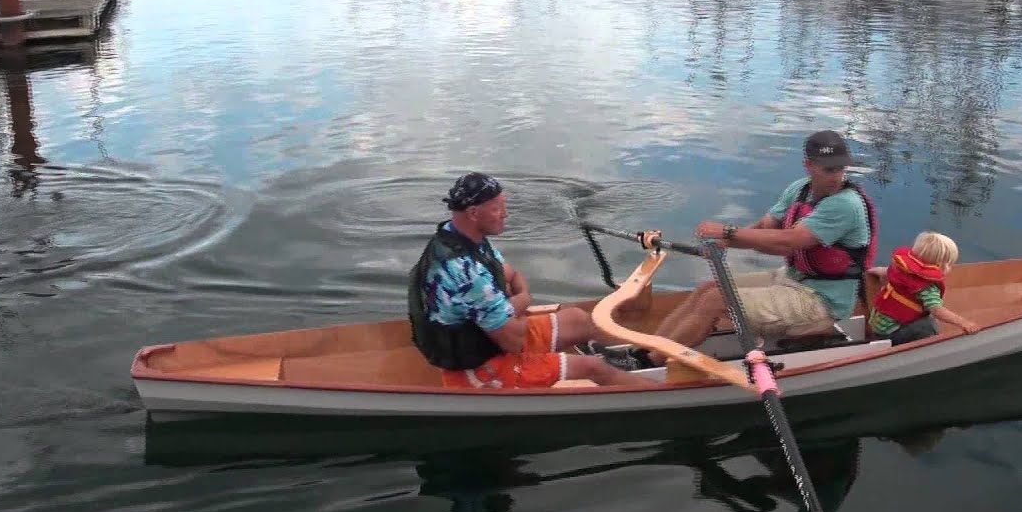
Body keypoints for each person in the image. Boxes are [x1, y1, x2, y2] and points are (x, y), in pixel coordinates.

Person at [643, 130, 878, 365]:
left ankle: (650, 364)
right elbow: (765, 227)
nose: (836, 176)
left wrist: (727, 232)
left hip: (823, 301)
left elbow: (786, 243)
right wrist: (726, 242)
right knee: (707, 289)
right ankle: (645, 350)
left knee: (716, 301)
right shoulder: (800, 189)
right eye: (828, 169)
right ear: (808, 165)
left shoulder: (845, 205)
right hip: (794, 279)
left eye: (841, 168)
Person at [408, 172, 652, 389]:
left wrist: (511, 308)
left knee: (578, 319)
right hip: (481, 369)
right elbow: (515, 340)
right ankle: (656, 392)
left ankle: (634, 362)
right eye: (497, 209)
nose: (506, 214)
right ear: (473, 213)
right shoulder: (464, 270)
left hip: (493, 336)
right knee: (593, 368)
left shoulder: (461, 236)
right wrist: (523, 300)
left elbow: (511, 274)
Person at [867, 231, 980, 345]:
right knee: (928, 325)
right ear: (943, 266)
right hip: (891, 334)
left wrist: (876, 271)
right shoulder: (927, 287)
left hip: (877, 325)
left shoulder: (903, 268)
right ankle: (929, 349)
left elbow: (887, 272)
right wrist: (964, 323)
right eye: (950, 264)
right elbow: (937, 310)